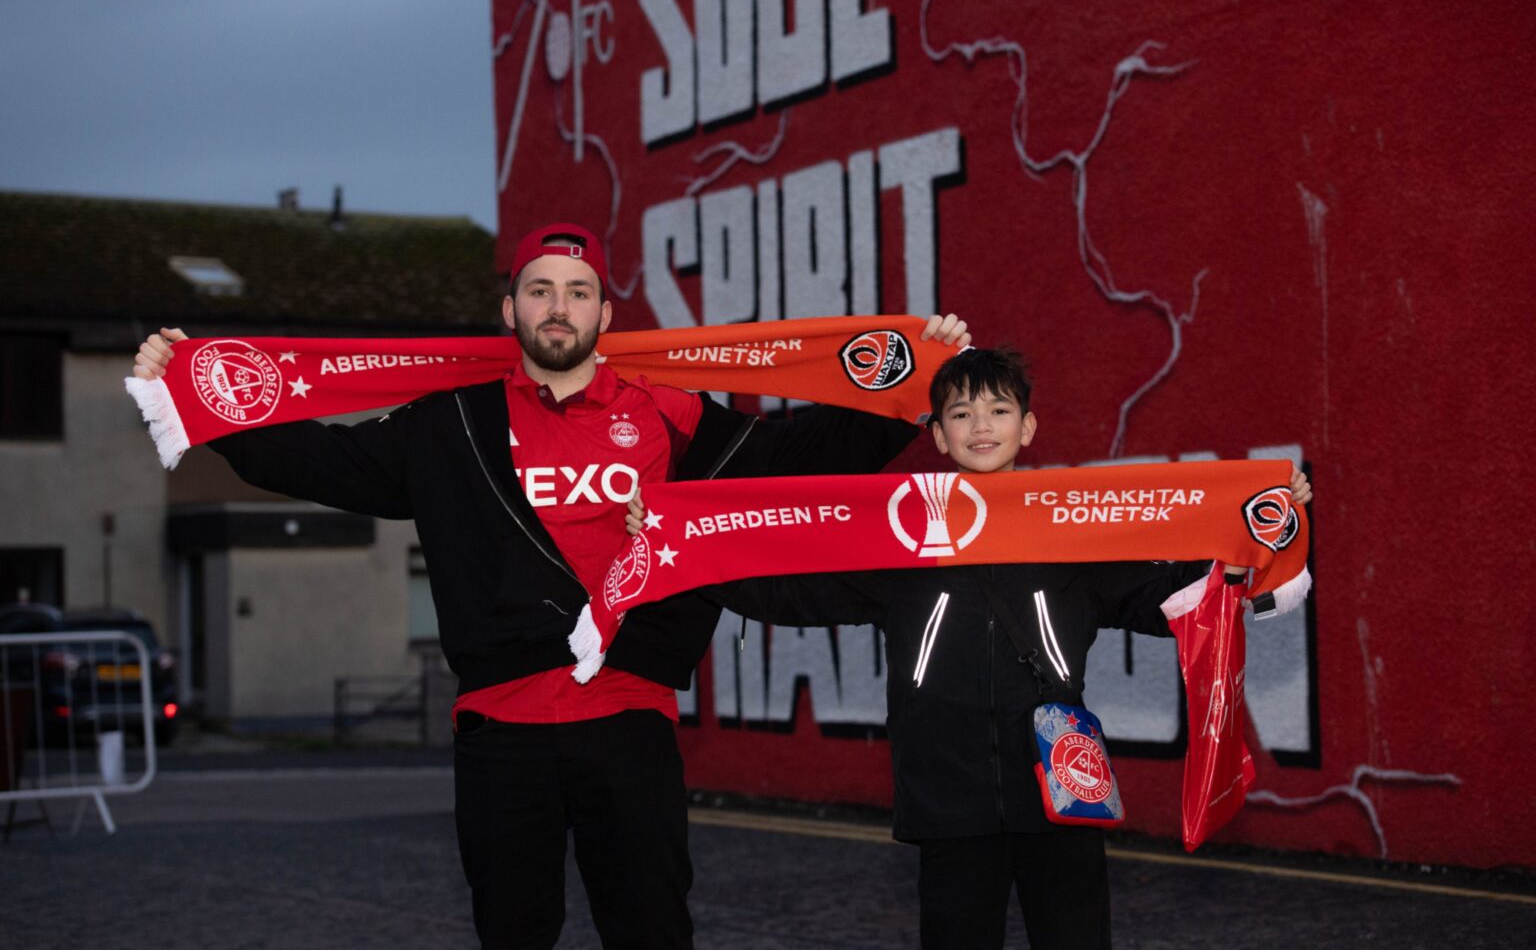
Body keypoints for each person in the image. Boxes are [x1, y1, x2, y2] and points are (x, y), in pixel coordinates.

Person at [131, 221, 970, 950]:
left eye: (577, 291)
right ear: (511, 311)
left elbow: (789, 460)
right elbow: (326, 460)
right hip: (499, 730)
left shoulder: (669, 413)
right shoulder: (453, 422)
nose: (558, 306)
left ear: (605, 314)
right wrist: (197, 399)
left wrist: (917, 383)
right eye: (539, 290)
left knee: (651, 929)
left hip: (630, 716)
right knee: (513, 931)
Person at [626, 347, 1311, 950]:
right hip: (947, 803)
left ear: (1027, 427)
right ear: (938, 435)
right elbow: (796, 592)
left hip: (1063, 795)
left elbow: (1170, 596)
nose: (981, 425)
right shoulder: (899, 544)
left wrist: (1266, 530)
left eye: (999, 410)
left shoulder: (1073, 534)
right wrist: (683, 547)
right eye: (961, 413)